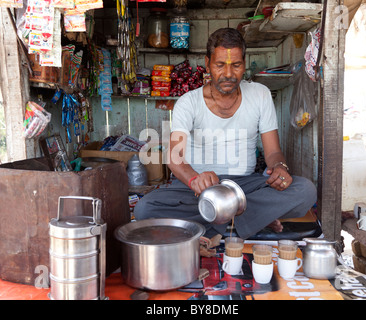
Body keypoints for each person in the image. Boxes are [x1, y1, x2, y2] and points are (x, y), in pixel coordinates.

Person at [134, 28, 317, 239]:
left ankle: (217, 222)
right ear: (207, 63)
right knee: (145, 209)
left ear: (244, 63)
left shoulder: (260, 95)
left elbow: (273, 152)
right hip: (197, 189)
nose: (228, 74)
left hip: (243, 190)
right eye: (220, 65)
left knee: (305, 190)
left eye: (236, 65)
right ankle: (249, 221)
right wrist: (195, 180)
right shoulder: (188, 102)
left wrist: (280, 168)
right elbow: (175, 159)